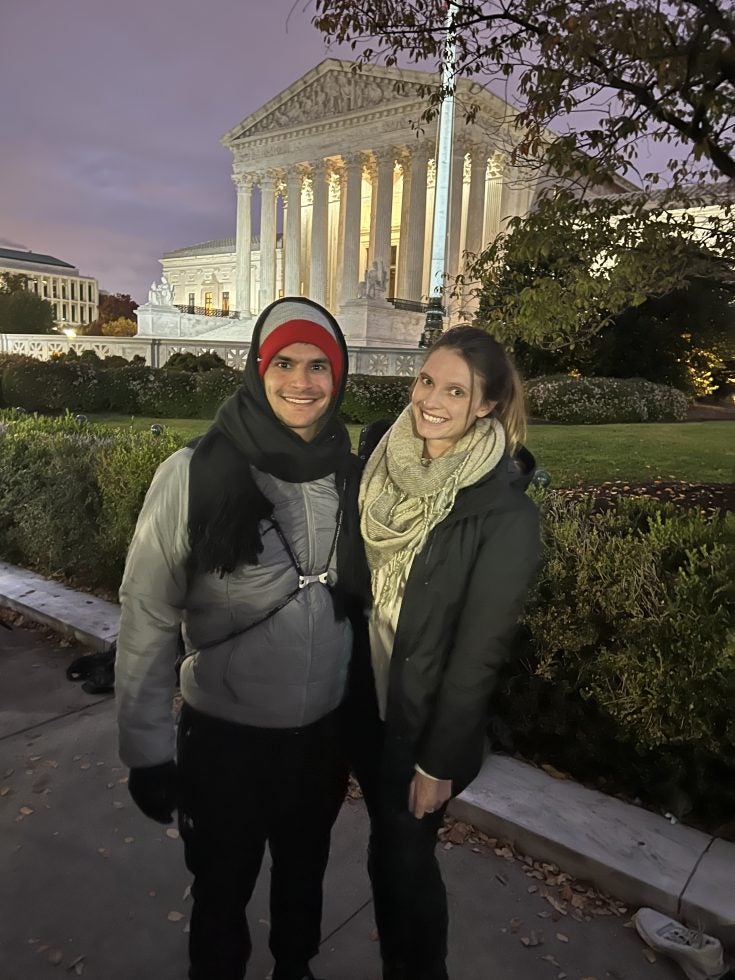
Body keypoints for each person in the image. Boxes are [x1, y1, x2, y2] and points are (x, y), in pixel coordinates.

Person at [114, 296, 368, 980]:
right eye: (283, 362)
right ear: (258, 369)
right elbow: (147, 611)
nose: (301, 381)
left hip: (319, 738)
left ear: (338, 376)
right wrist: (144, 749)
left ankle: (295, 968)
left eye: (319, 366)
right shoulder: (192, 472)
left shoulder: (349, 473)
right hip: (226, 740)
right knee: (221, 896)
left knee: (303, 879)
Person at [356, 325, 541, 980]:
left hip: (420, 725)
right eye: (426, 381)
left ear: (486, 405)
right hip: (363, 702)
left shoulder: (505, 516)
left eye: (455, 391)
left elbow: (478, 655)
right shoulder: (379, 462)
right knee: (384, 854)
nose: (430, 400)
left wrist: (435, 762)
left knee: (405, 866)